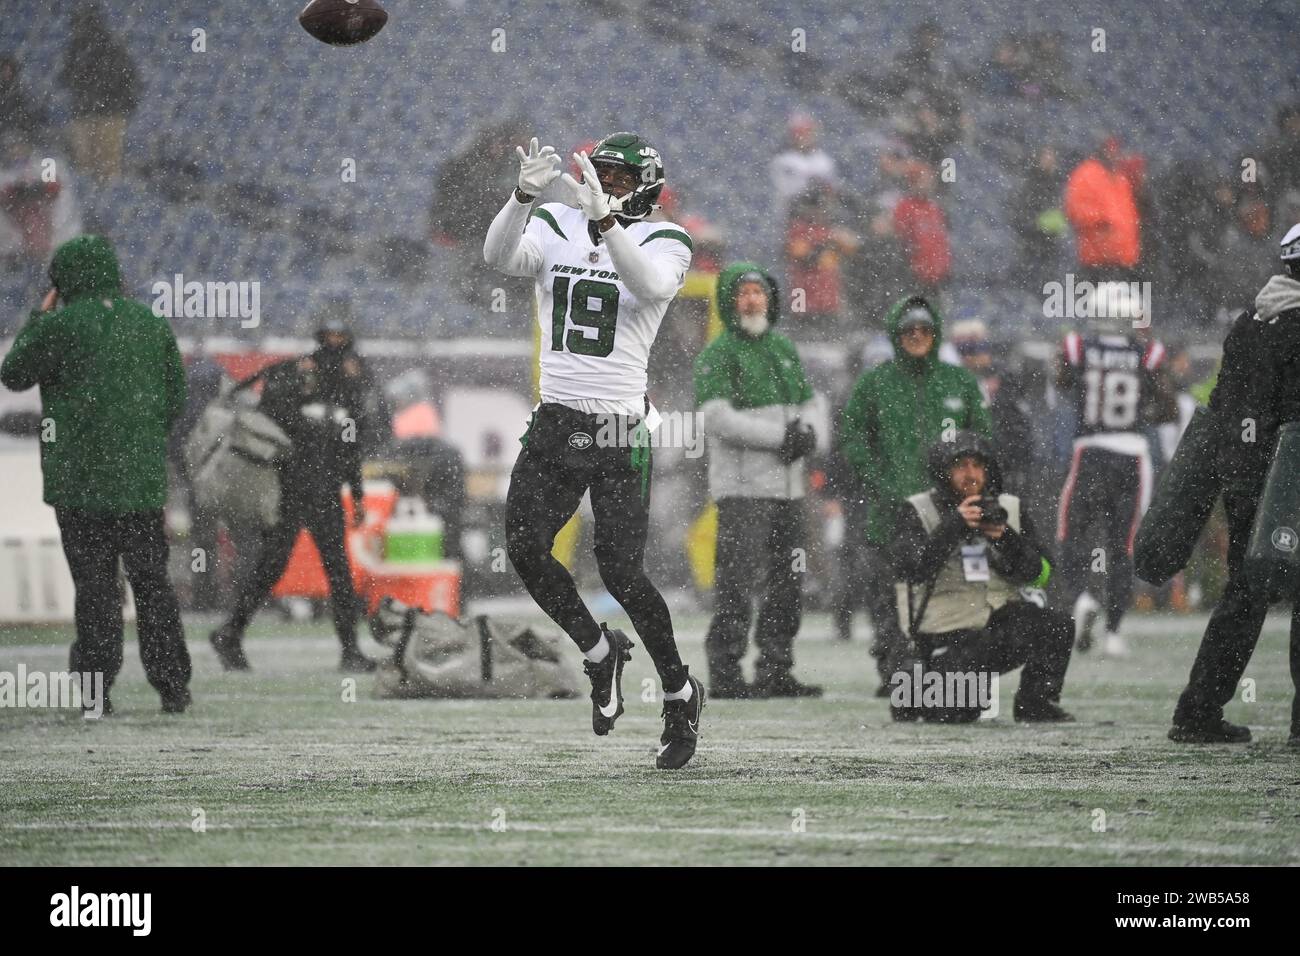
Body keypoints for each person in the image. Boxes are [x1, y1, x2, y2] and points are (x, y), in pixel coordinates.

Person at [483, 132, 704, 769]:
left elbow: (649, 283)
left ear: (647, 188)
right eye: (600, 175)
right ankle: (598, 649)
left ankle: (679, 691)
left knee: (623, 573)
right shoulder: (557, 221)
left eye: (618, 177)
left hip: (618, 429)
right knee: (524, 546)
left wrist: (606, 220)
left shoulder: (667, 239)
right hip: (557, 418)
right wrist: (523, 195)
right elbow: (500, 256)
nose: (604, 185)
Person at [1, 235, 191, 715]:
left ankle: (95, 691)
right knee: (153, 587)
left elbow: (14, 374)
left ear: (63, 281)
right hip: (141, 486)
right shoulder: (151, 324)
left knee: (96, 590)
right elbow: (175, 401)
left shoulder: (60, 325)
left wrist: (42, 316)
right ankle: (173, 687)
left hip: (80, 487)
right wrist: (141, 444)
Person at [1169, 223, 1300, 745]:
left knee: (1245, 596)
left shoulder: (1250, 321)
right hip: (1289, 477)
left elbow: (1227, 406)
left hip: (1247, 478)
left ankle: (1197, 711)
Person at [209, 310, 376, 673]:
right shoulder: (298, 375)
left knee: (334, 570)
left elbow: (350, 444)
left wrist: (357, 492)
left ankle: (348, 650)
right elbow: (269, 425)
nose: (336, 350)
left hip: (321, 486)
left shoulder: (347, 384)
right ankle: (232, 632)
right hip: (291, 486)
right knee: (278, 566)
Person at [840, 296, 992, 692]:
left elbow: (983, 438)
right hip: (892, 511)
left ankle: (942, 671)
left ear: (935, 333)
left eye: (924, 330)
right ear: (897, 334)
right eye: (909, 330)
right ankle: (896, 672)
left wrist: (968, 488)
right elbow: (853, 439)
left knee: (951, 590)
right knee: (889, 594)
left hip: (950, 512)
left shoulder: (959, 382)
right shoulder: (875, 383)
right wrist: (880, 483)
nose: (917, 337)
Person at [694, 261, 824, 698]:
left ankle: (776, 667)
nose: (752, 300)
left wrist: (809, 434)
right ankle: (727, 672)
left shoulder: (784, 348)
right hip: (744, 491)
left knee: (788, 583)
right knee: (737, 581)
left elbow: (812, 404)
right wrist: (781, 437)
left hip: (788, 489)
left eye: (759, 293)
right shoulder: (718, 352)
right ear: (730, 302)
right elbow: (716, 418)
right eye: (743, 293)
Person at [891, 432, 1074, 722]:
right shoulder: (917, 510)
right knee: (956, 714)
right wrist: (953, 527)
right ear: (943, 472)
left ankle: (1036, 703)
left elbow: (1040, 574)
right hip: (943, 636)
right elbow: (911, 568)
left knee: (1057, 627)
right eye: (960, 466)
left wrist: (1006, 539)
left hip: (994, 625)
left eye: (978, 466)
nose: (971, 474)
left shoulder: (1008, 509)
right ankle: (919, 691)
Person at [1055, 288, 1178, 657]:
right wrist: (1140, 417)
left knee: (1071, 535)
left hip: (1090, 450)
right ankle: (1113, 632)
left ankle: (1079, 598)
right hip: (1132, 455)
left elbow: (1062, 384)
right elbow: (1169, 408)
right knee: (1122, 547)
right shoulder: (1147, 353)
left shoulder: (1078, 347)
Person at [59, 3, 139, 181]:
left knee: (98, 166)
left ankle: (100, 196)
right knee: (97, 167)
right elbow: (67, 78)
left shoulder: (96, 49)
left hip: (100, 111)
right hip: (94, 111)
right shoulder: (80, 49)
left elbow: (128, 79)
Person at [1063, 136, 1142, 281]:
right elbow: (1076, 210)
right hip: (1099, 260)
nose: (1114, 153)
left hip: (1123, 259)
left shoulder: (1118, 177)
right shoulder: (1086, 173)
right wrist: (1101, 222)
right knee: (1099, 301)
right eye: (1110, 149)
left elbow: (1127, 214)